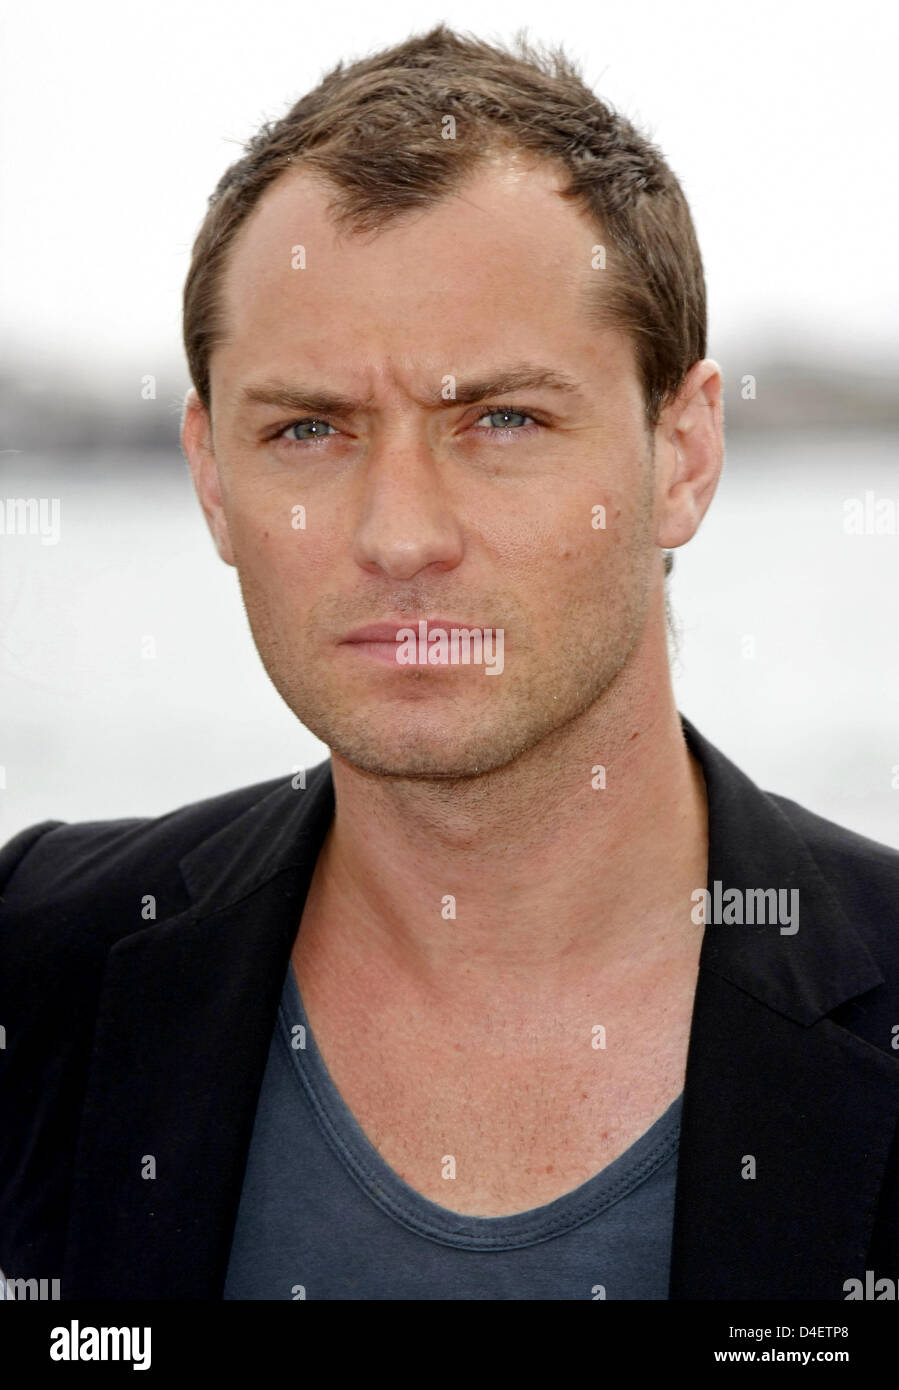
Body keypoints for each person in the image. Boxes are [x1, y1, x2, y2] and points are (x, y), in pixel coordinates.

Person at [2, 23, 898, 1303]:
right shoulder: (39, 958)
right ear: (210, 474)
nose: (399, 535)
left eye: (501, 420)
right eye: (309, 427)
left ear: (681, 455)